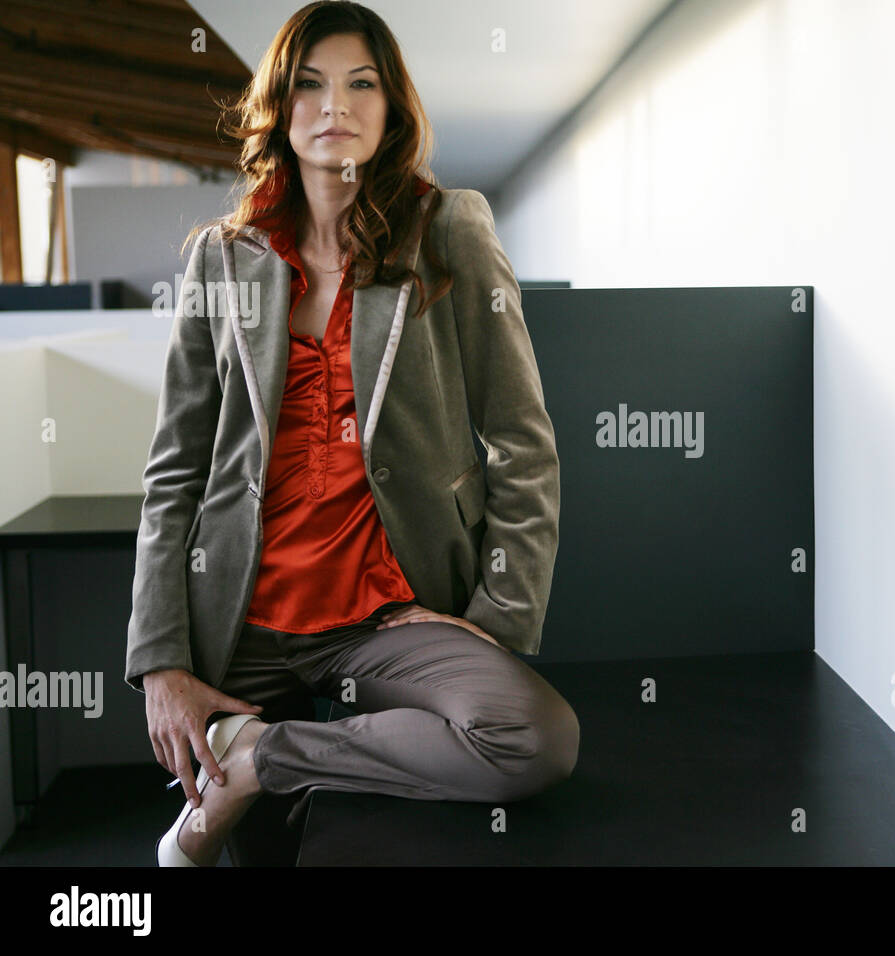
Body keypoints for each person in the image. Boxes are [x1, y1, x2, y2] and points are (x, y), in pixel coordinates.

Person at [128, 0, 576, 866]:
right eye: (311, 84)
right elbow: (174, 470)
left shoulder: (447, 230)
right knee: (273, 860)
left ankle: (258, 758)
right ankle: (251, 765)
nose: (336, 103)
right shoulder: (221, 259)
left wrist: (502, 608)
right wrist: (159, 661)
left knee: (533, 737)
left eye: (361, 83)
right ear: (281, 110)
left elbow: (521, 439)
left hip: (388, 613)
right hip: (243, 620)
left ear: (390, 107)